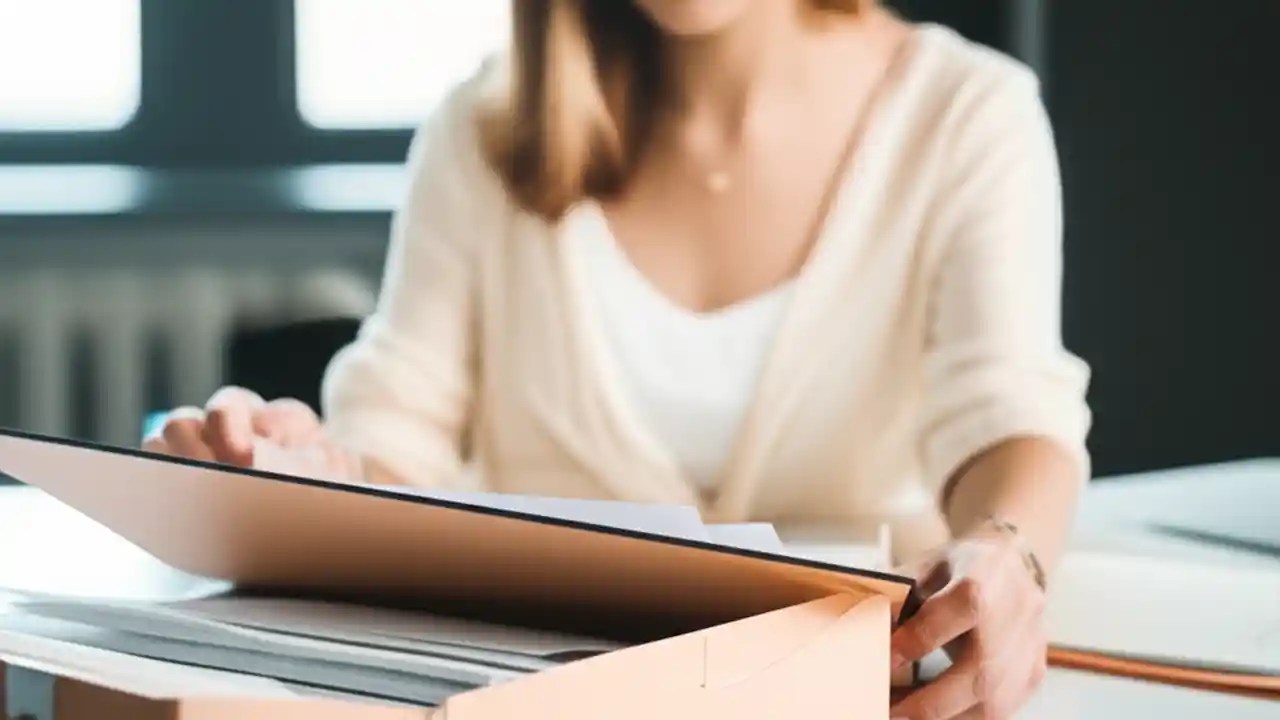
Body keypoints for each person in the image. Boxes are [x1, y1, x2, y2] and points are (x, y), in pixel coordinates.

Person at [145, 1, 1091, 717]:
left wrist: (1008, 554)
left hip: (853, 693)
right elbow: (394, 440)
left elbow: (1012, 416)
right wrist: (302, 480)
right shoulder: (481, 129)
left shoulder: (967, 115)